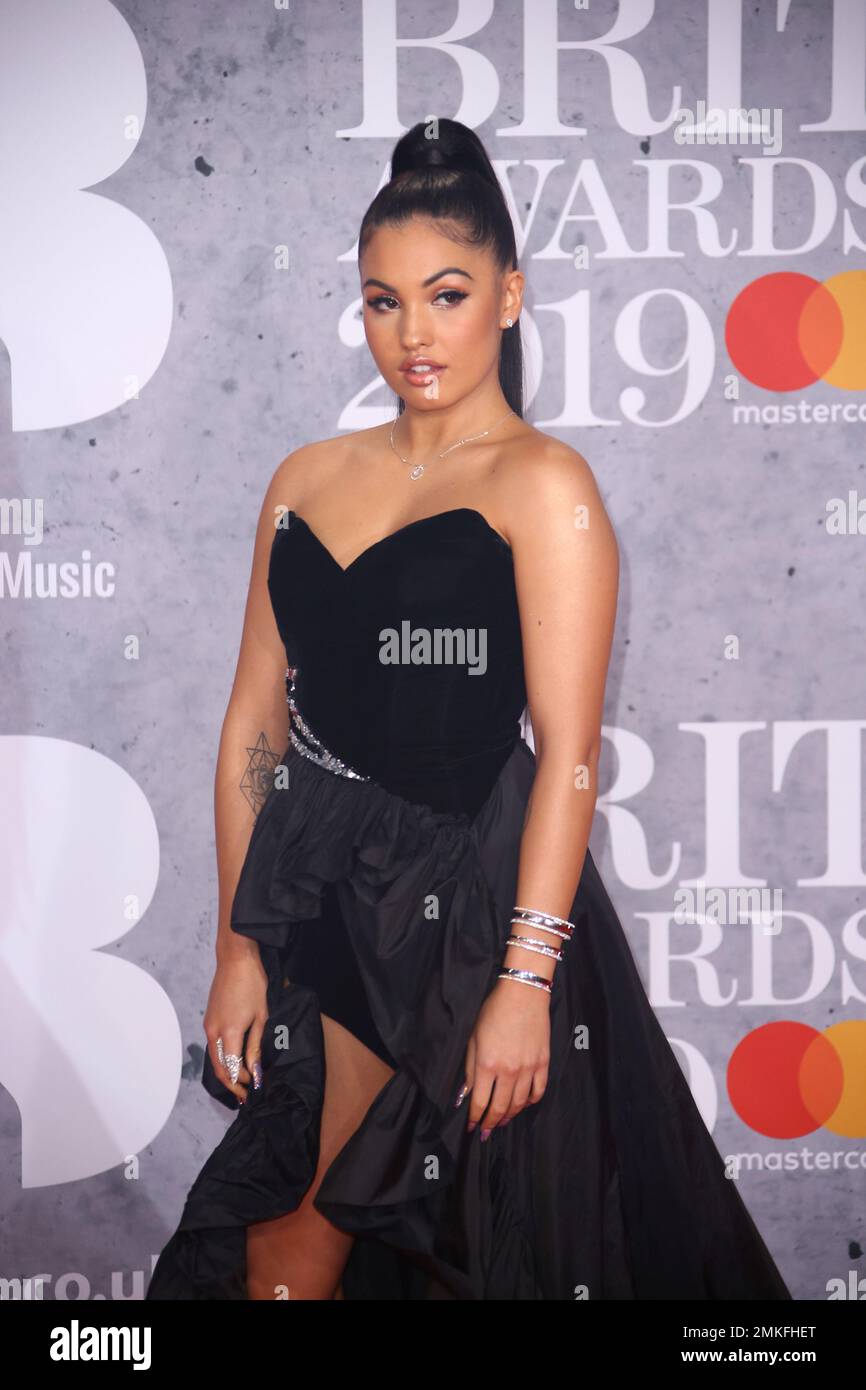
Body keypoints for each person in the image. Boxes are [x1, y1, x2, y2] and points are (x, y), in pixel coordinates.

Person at [146, 118, 792, 1301]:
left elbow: (570, 757)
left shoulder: (544, 486)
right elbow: (253, 724)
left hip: (463, 922)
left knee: (382, 1249)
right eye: (382, 302)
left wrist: (523, 983)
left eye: (444, 295)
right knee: (288, 1245)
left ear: (508, 293)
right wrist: (239, 945)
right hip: (321, 908)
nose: (412, 334)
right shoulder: (301, 479)